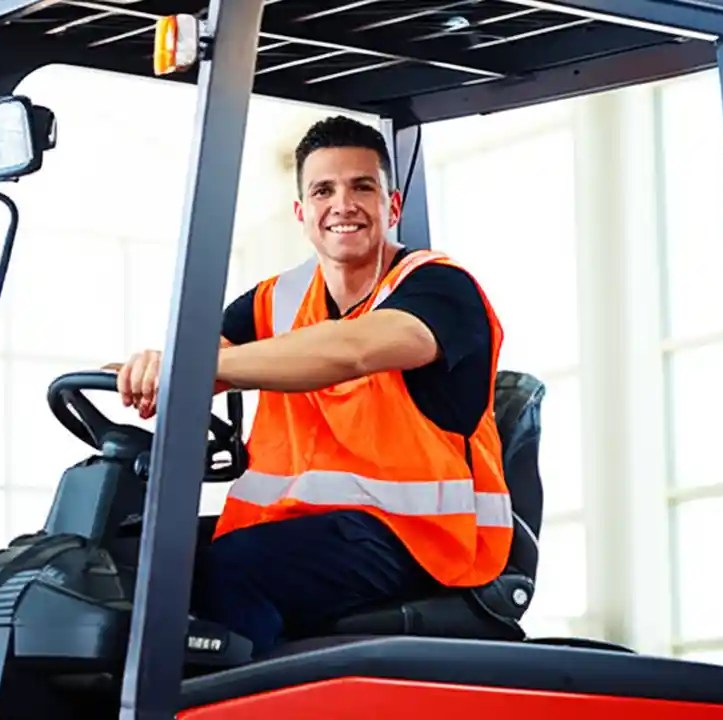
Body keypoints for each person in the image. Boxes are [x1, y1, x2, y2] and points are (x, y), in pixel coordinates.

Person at [113, 115, 512, 656]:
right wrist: (144, 371)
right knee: (128, 559)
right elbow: (200, 362)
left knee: (232, 572)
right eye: (324, 191)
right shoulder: (275, 300)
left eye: (362, 187)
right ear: (302, 213)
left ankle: (231, 693)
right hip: (298, 526)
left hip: (416, 536)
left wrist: (199, 366)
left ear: (392, 206)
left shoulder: (439, 288)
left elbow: (352, 351)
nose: (343, 205)